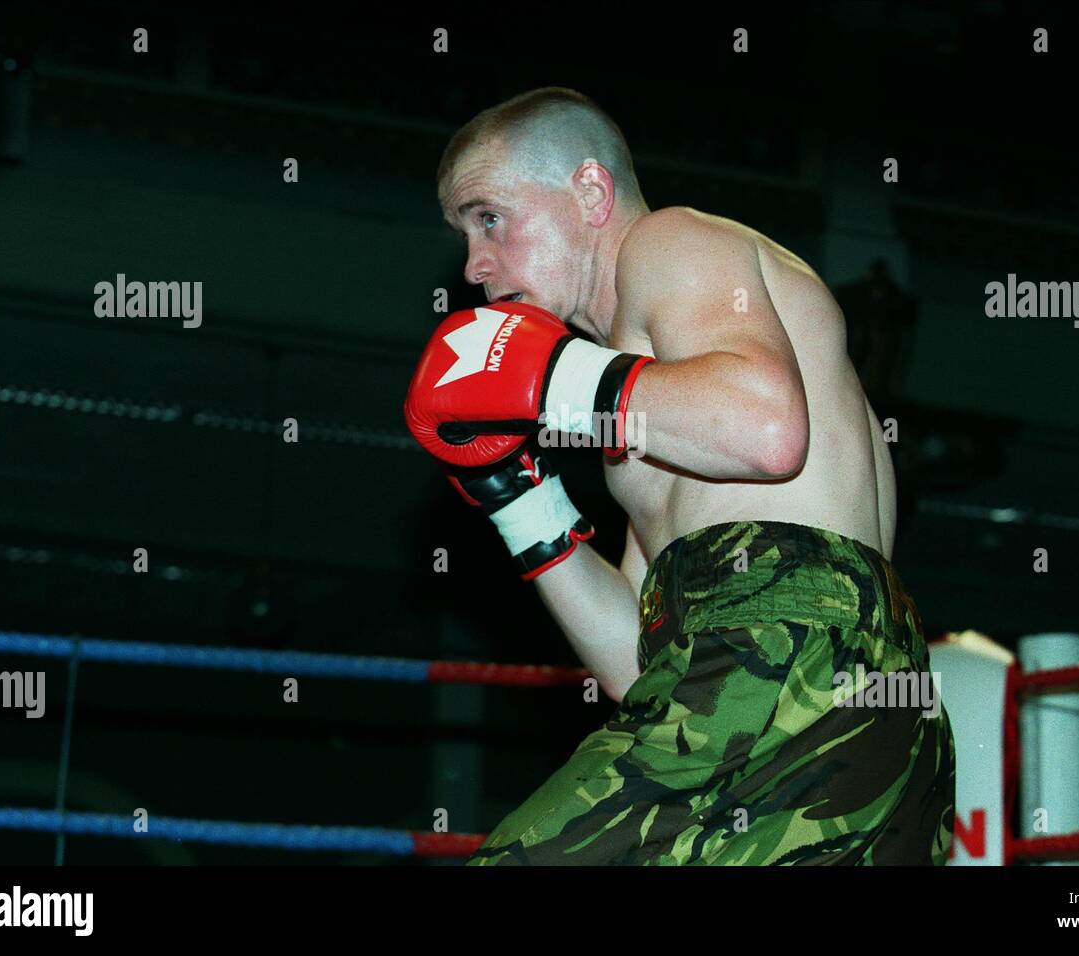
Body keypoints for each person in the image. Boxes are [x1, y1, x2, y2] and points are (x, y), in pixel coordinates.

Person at [405, 87, 955, 865]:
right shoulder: (643, 401)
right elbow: (638, 670)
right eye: (466, 232)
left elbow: (768, 431)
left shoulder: (671, 243)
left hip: (790, 661)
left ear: (590, 191)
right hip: (827, 706)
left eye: (490, 216)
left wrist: (554, 378)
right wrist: (518, 496)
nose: (475, 264)